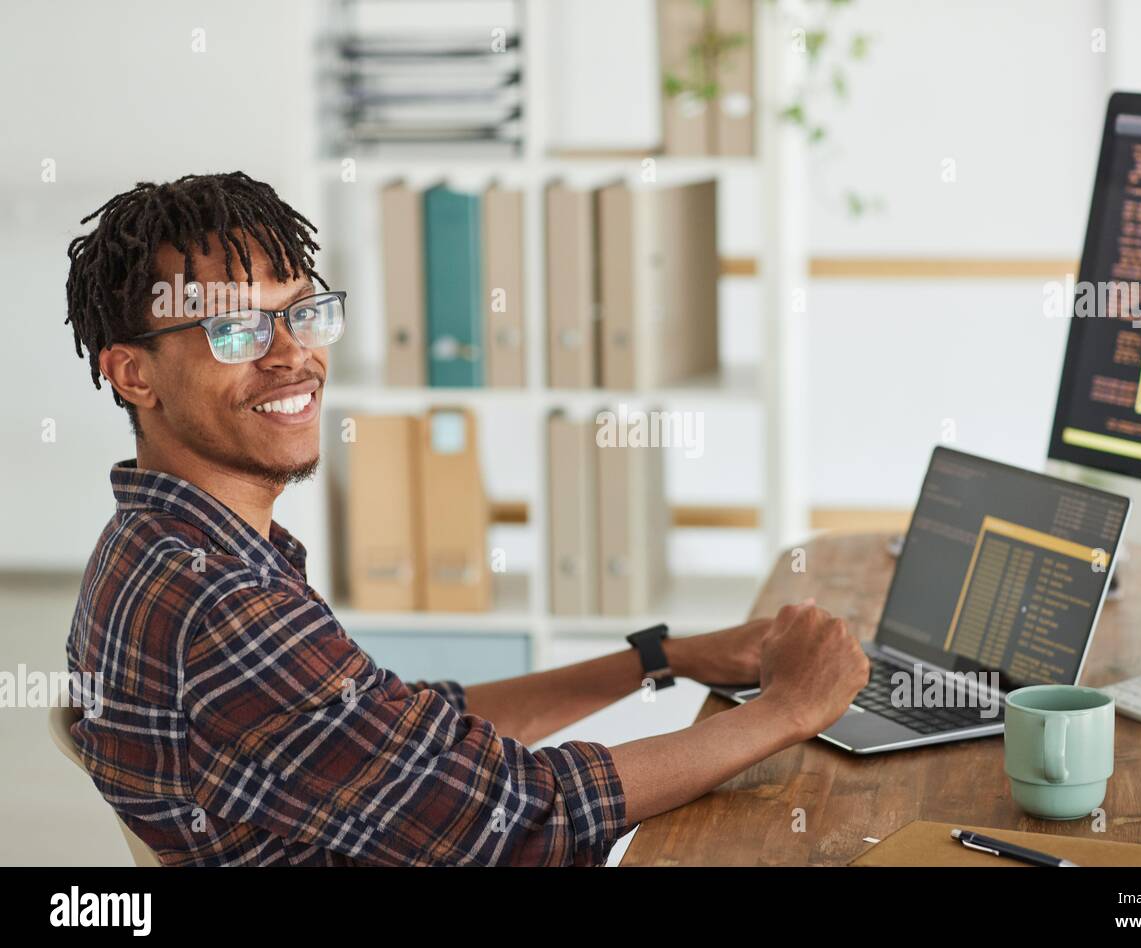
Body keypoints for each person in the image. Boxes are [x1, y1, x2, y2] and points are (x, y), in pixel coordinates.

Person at [63, 172, 871, 866]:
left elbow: (405, 735)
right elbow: (521, 820)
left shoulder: (164, 543)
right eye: (235, 328)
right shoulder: (219, 604)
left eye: (303, 311)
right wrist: (789, 711)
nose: (292, 355)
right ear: (134, 374)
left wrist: (663, 658)